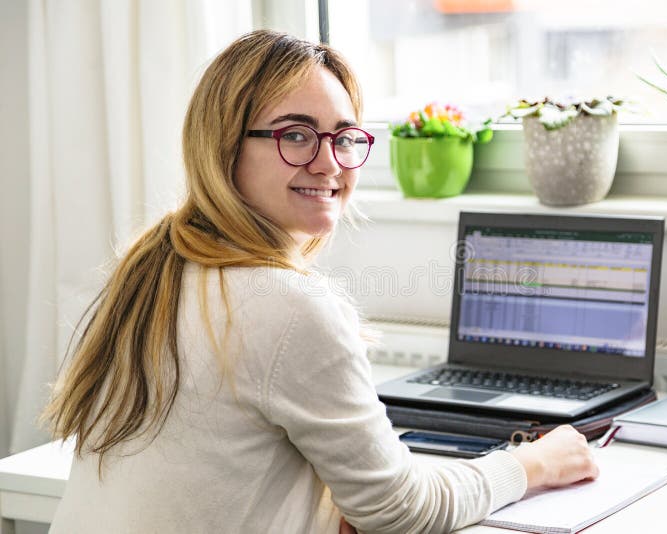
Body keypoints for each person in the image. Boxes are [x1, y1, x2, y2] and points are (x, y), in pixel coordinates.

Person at [42, 30, 599, 534]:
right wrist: (531, 464)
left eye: (343, 136)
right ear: (224, 147)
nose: (330, 162)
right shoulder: (283, 306)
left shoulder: (154, 267)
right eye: (297, 136)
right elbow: (402, 511)